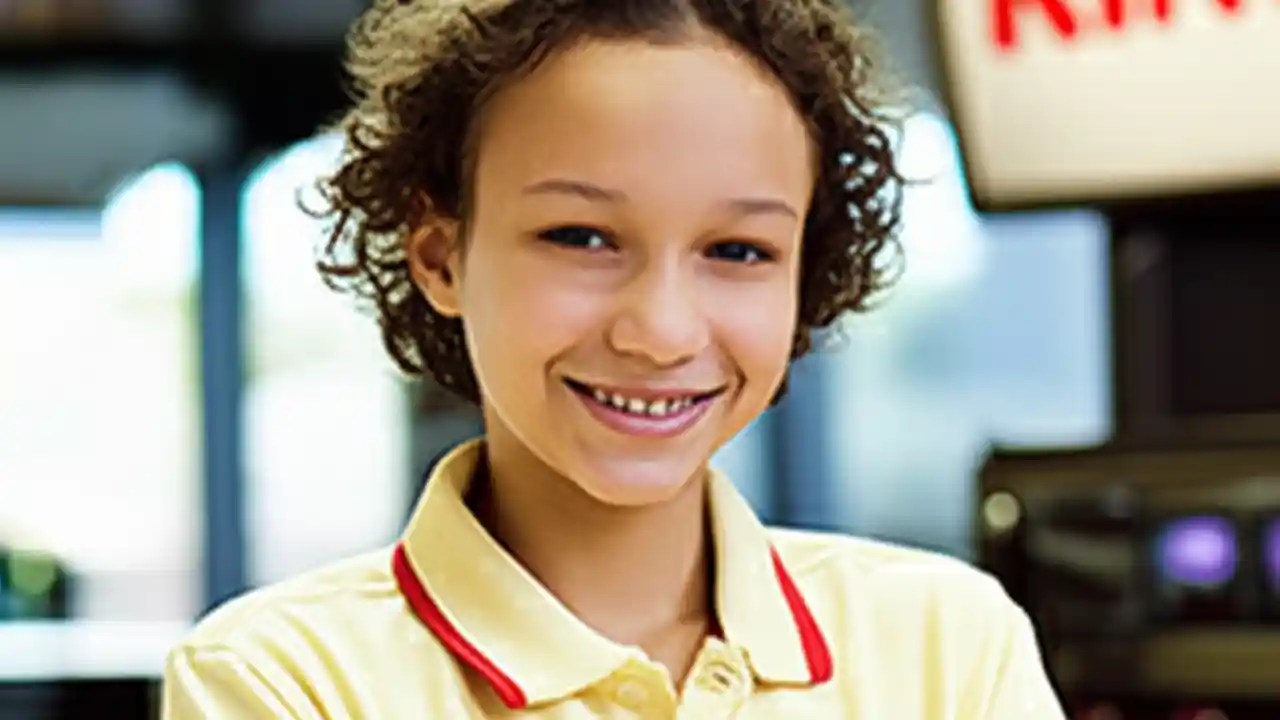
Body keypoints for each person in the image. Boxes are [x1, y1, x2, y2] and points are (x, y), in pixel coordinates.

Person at [162, 0, 1066, 717]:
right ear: (441, 257)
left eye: (740, 251)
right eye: (582, 236)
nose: (663, 330)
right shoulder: (283, 681)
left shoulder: (948, 646)